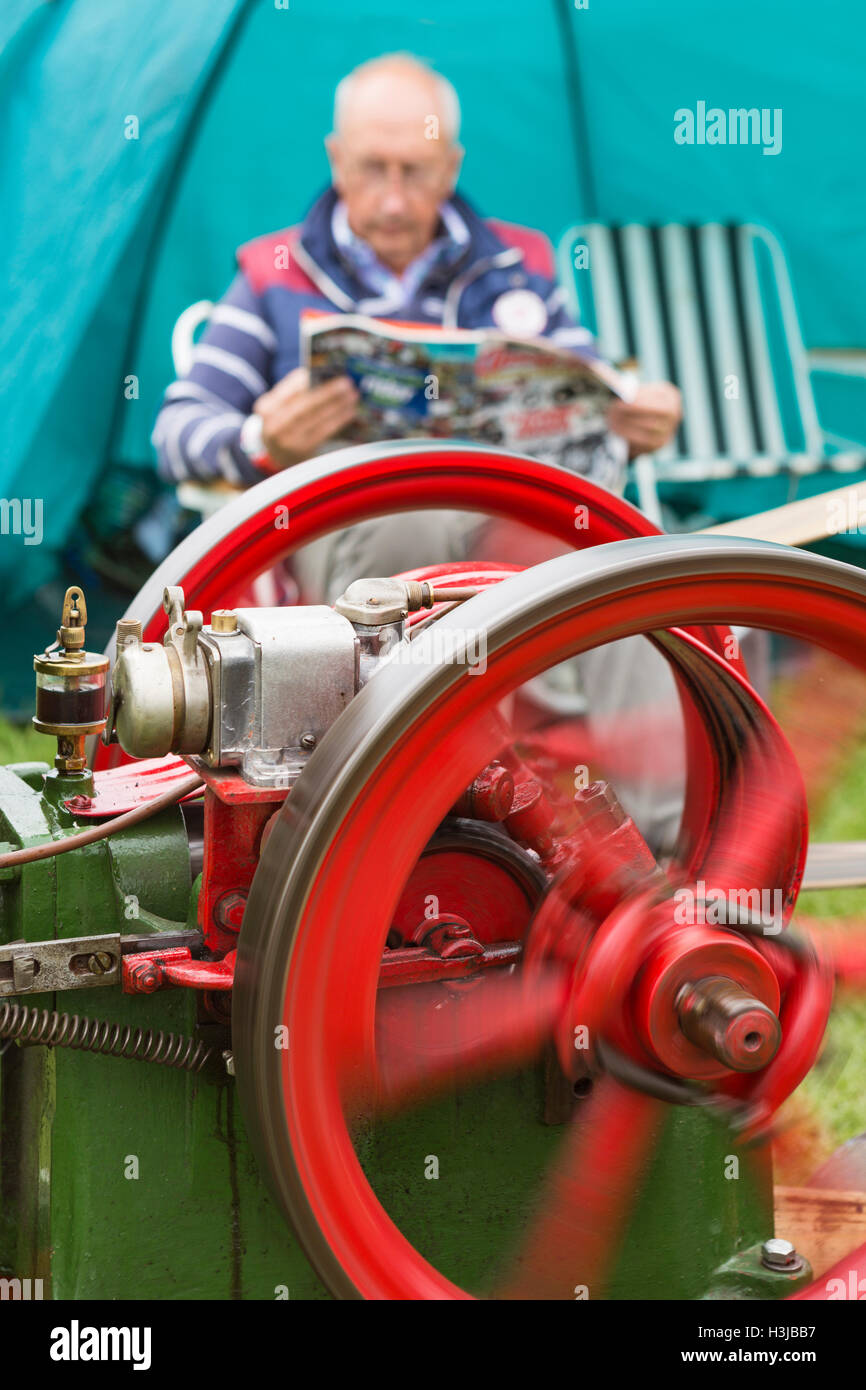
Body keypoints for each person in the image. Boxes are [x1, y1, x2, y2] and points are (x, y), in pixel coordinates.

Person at [152, 52, 682, 600]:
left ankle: (642, 686)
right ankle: (460, 686)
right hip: (344, 534)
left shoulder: (515, 269)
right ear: (336, 160)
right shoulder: (274, 274)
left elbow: (592, 395)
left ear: (451, 167)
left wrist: (633, 418)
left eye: (416, 171)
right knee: (410, 521)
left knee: (603, 553)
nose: (394, 200)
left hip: (500, 521)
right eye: (372, 168)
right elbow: (176, 430)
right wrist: (262, 441)